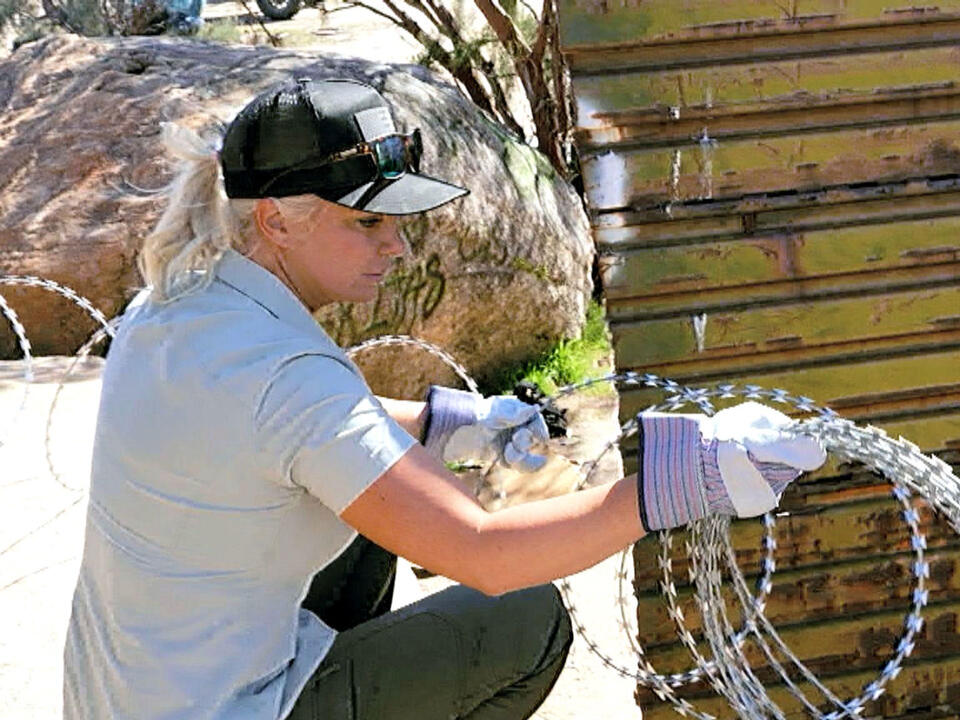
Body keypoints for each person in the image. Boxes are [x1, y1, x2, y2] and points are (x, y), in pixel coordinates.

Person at [62, 78, 826, 720]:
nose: (395, 246)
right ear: (275, 220)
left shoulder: (178, 300)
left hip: (135, 693)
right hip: (225, 705)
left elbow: (286, 433)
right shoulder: (288, 375)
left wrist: (457, 425)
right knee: (522, 620)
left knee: (373, 505)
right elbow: (485, 555)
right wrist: (679, 485)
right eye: (367, 223)